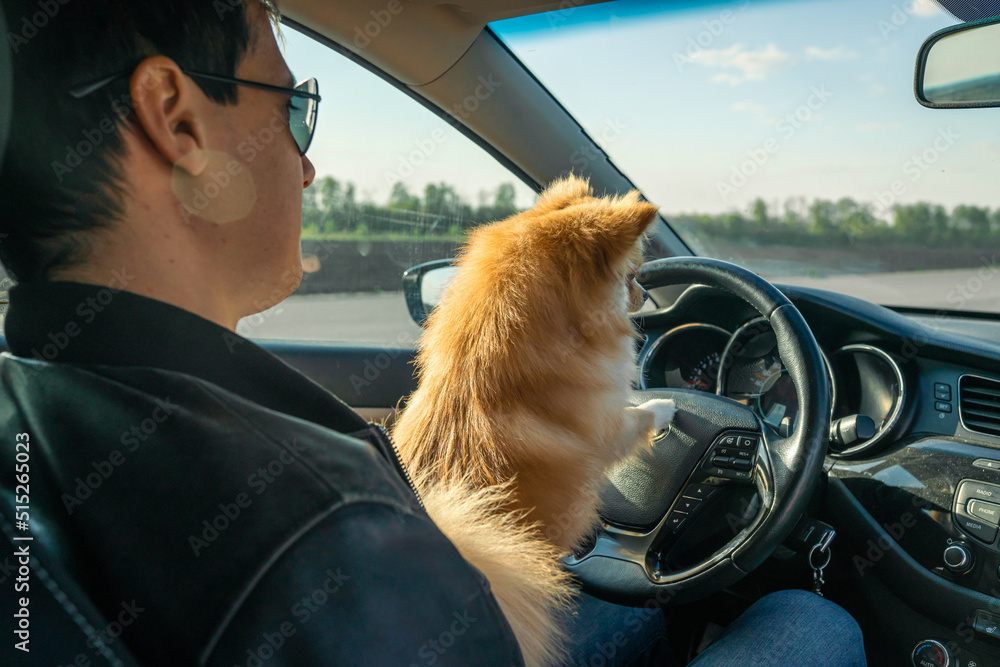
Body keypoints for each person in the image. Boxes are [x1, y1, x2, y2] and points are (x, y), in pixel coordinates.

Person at [0, 1, 866, 665]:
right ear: (178, 120)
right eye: (294, 108)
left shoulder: (34, 396)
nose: (309, 164)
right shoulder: (319, 525)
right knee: (809, 621)